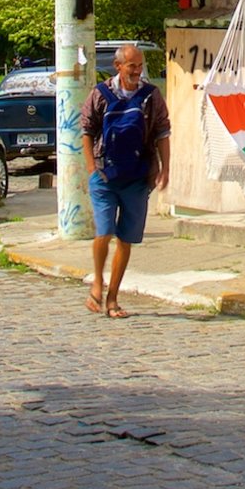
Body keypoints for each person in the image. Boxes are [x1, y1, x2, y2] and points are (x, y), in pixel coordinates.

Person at [81, 45, 168, 319]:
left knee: (125, 240)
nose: (137, 71)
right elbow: (86, 130)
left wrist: (166, 168)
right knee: (103, 232)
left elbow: (162, 132)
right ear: (118, 66)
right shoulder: (100, 94)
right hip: (105, 176)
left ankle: (112, 298)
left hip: (137, 177)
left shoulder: (150, 96)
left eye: (139, 65)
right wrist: (91, 167)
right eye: (132, 66)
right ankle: (97, 281)